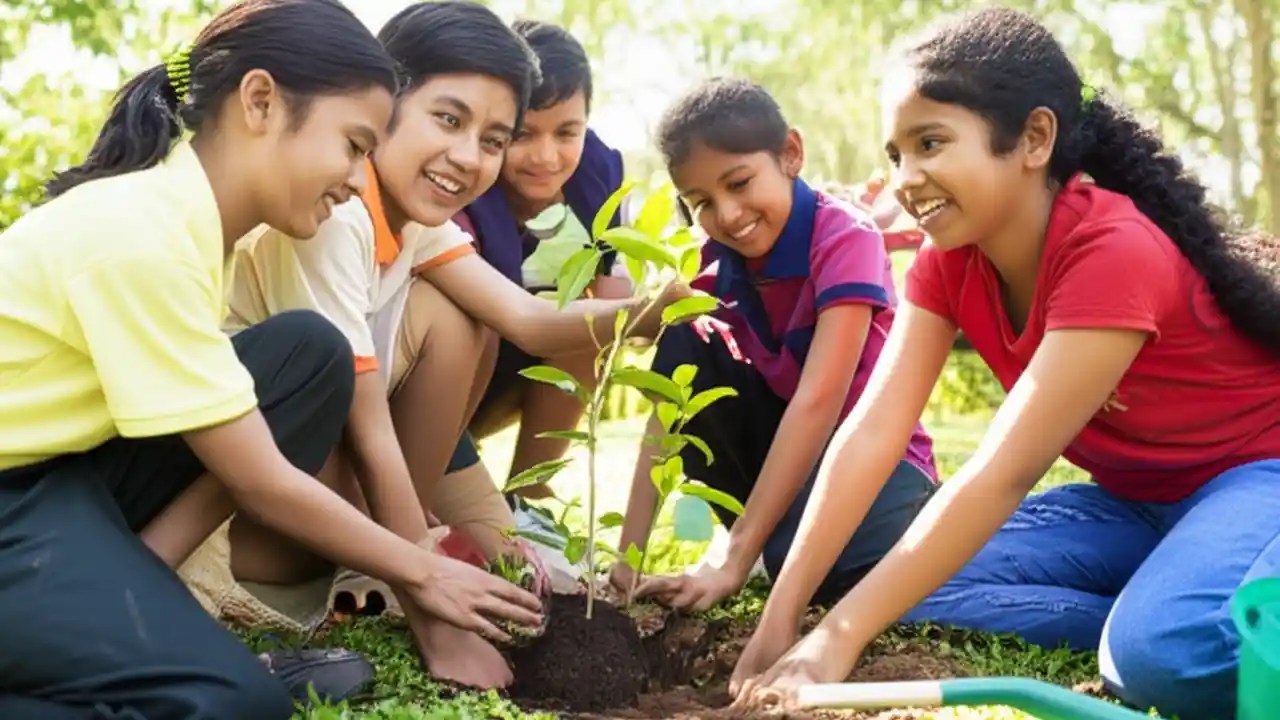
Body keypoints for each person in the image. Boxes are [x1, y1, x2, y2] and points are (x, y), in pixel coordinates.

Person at [729, 9, 1280, 720]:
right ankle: (1182, 590)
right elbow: (872, 430)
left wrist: (835, 640)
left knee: (1161, 658)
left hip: (1259, 482)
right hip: (1136, 505)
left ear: (1034, 138)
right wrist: (785, 612)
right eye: (896, 153)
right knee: (878, 574)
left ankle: (1178, 608)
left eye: (930, 143)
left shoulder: (1114, 247)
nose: (907, 177)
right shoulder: (946, 262)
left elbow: (1002, 471)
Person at [0, 2, 539, 718]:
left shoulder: (192, 228)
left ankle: (148, 612)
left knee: (307, 354)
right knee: (234, 704)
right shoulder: (138, 236)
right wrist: (423, 573)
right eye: (352, 145)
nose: (357, 178)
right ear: (260, 101)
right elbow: (260, 482)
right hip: (19, 502)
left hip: (65, 479)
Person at [191, 0, 687, 688]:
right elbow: (365, 422)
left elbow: (530, 322)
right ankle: (396, 566)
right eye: (449, 120)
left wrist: (657, 309)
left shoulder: (418, 221)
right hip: (254, 524)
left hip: (314, 494)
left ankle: (402, 555)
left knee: (457, 316)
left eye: (491, 139)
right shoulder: (333, 215)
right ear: (385, 103)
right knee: (437, 327)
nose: (468, 157)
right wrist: (435, 614)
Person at [610, 77, 938, 614]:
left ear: (790, 154)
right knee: (682, 333)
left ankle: (764, 543)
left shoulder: (844, 238)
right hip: (786, 456)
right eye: (702, 202)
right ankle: (766, 536)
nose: (729, 214)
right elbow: (664, 415)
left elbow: (820, 398)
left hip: (877, 458)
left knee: (822, 575)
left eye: (739, 183)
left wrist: (735, 560)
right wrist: (626, 564)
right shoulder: (710, 262)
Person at [458, 19, 632, 502]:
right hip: (443, 373)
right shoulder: (465, 181)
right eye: (524, 134)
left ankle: (528, 497)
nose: (546, 156)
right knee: (472, 327)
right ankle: (442, 483)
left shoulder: (599, 177)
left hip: (519, 369)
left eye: (566, 132)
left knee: (589, 328)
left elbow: (615, 299)